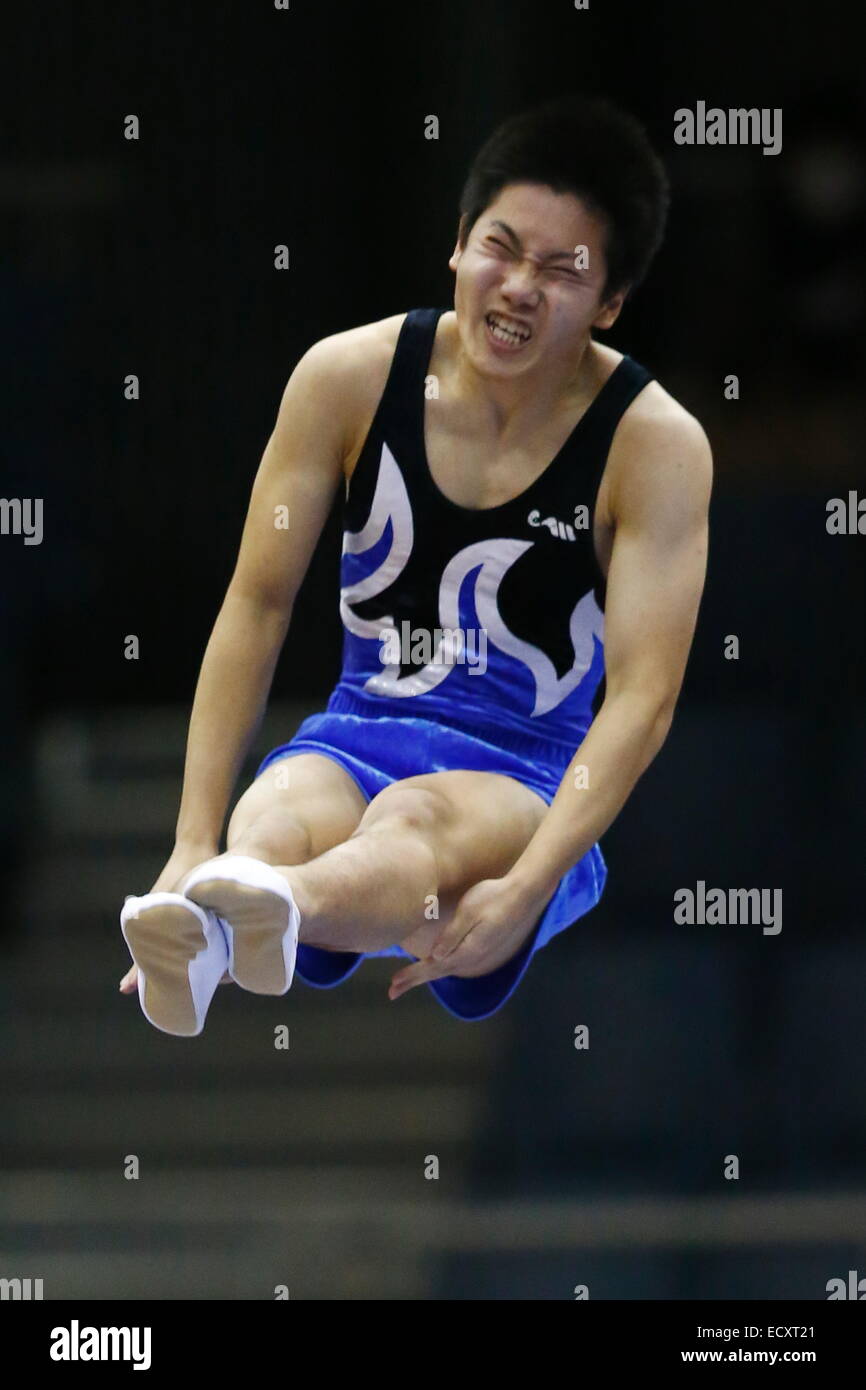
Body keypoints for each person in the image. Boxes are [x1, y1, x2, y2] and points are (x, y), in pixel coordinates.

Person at [119, 93, 712, 1035]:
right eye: (501, 246)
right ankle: (223, 918)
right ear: (457, 245)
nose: (518, 285)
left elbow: (643, 700)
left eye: (561, 271)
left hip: (523, 776)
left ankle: (261, 916)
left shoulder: (654, 445)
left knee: (414, 820)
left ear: (609, 304)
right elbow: (258, 602)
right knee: (277, 805)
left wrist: (528, 886)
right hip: (360, 726)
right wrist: (193, 838)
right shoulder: (346, 379)